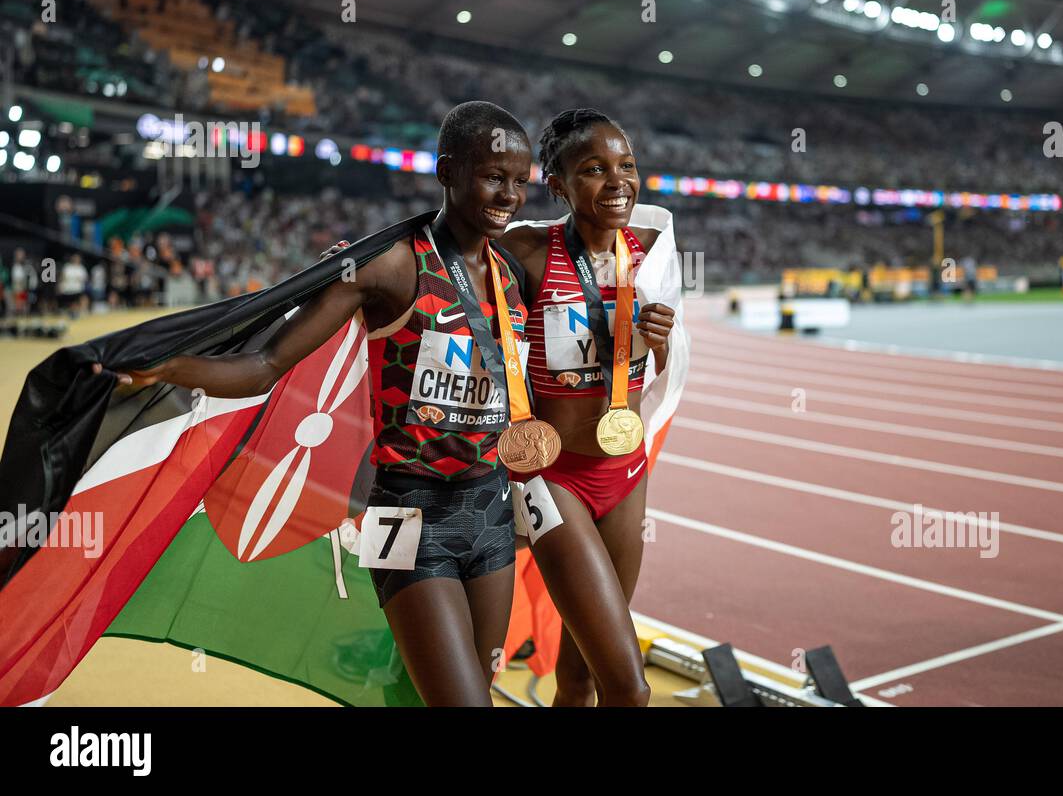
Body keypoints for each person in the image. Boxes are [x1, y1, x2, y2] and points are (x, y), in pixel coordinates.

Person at [97, 101, 539, 706]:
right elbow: (267, 364)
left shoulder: (510, 275)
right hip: (405, 513)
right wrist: (171, 368)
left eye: (521, 181)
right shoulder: (389, 265)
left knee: (435, 691)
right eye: (493, 176)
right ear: (446, 171)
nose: (509, 195)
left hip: (486, 506)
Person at [498, 108, 677, 707]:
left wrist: (661, 338)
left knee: (580, 678)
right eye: (594, 170)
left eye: (626, 166)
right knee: (630, 688)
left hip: (625, 472)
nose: (618, 181)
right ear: (558, 184)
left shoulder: (652, 251)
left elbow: (666, 365)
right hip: (554, 477)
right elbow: (454, 281)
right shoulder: (523, 250)